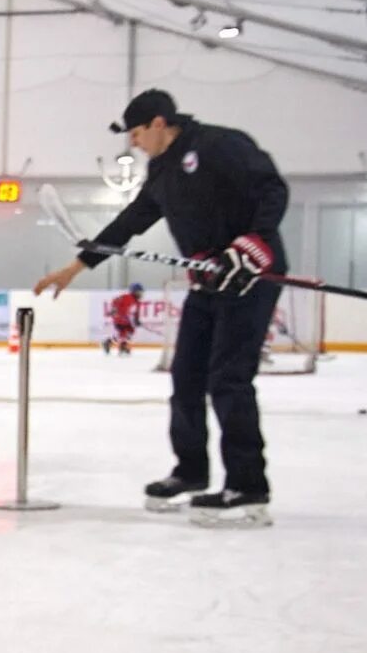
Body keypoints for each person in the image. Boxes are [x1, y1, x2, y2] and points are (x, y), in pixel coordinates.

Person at [33, 89, 288, 528]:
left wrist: (254, 243)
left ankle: (248, 484)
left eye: (135, 133)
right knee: (186, 376)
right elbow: (132, 221)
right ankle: (191, 471)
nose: (133, 143)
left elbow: (272, 188)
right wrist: (77, 266)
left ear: (157, 123)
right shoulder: (163, 170)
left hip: (251, 277)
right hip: (207, 282)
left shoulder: (220, 145)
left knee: (228, 379)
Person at [104, 283, 144, 357]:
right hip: (119, 318)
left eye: (141, 292)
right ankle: (122, 347)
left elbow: (136, 312)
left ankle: (108, 342)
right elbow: (115, 301)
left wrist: (137, 320)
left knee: (131, 331)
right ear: (133, 291)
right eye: (138, 292)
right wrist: (114, 310)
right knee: (123, 332)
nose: (140, 294)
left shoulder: (137, 302)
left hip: (127, 320)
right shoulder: (126, 297)